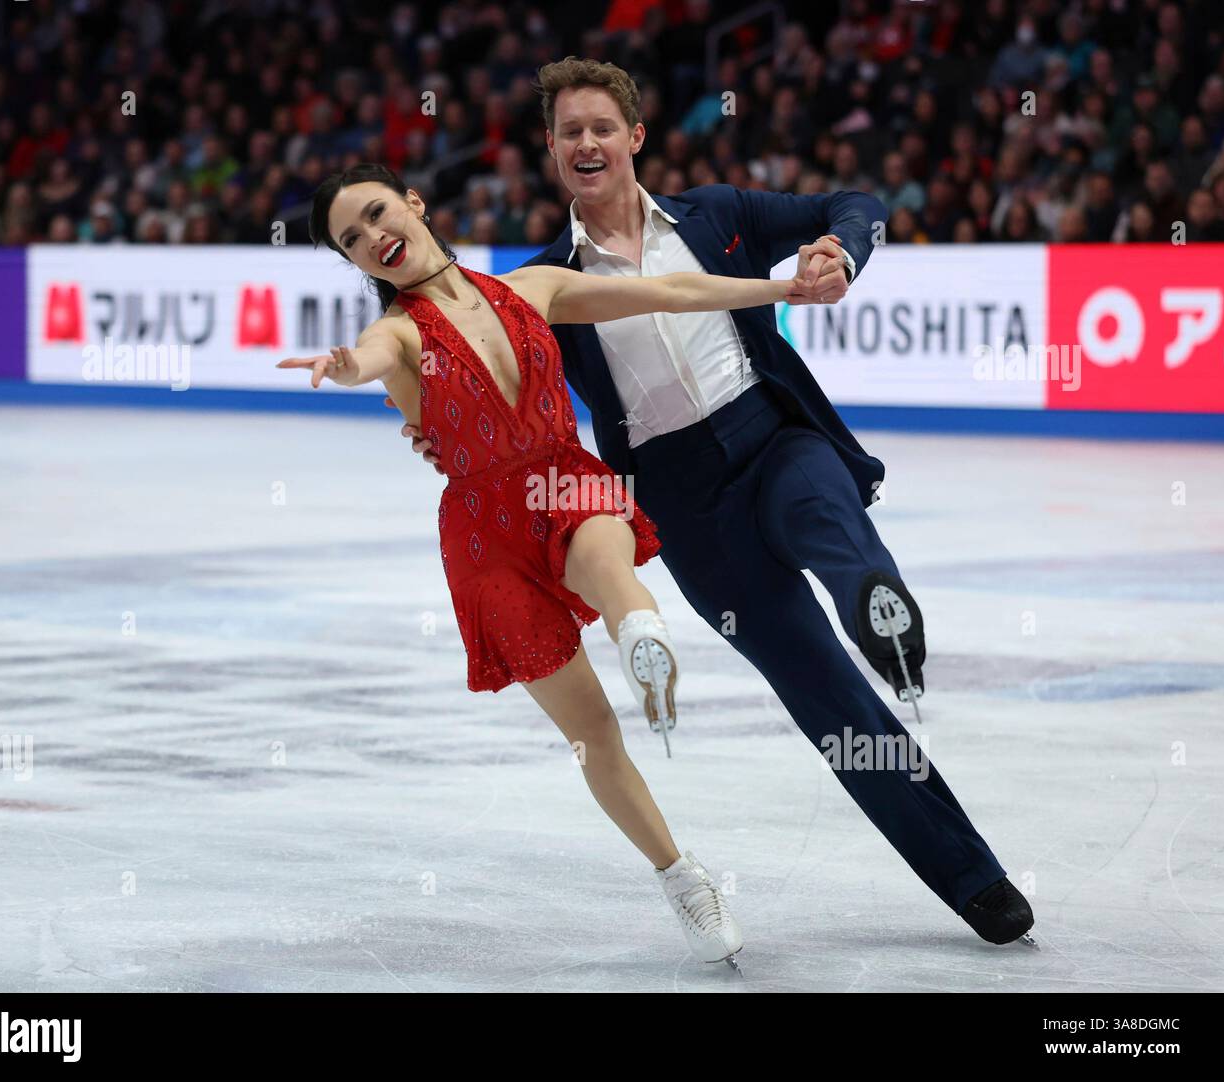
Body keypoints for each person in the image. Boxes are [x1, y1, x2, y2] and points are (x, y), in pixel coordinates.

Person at [398, 58, 1035, 949]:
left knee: (824, 512)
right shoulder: (542, 284)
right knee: (827, 700)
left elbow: (855, 201)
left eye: (601, 127)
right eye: (569, 132)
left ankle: (876, 607)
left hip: (770, 435)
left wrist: (838, 251)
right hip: (683, 504)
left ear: (634, 138)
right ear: (550, 151)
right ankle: (976, 882)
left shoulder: (719, 215)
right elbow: (478, 368)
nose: (587, 143)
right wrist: (437, 427)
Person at [279, 163, 833, 971]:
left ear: (414, 203)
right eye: (350, 241)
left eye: (374, 215)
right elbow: (371, 355)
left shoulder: (534, 287)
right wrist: (345, 368)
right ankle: (682, 878)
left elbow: (672, 294)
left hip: (559, 474)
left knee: (601, 535)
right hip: (483, 534)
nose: (371, 239)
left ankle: (638, 627)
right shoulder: (397, 333)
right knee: (593, 735)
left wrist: (781, 291)